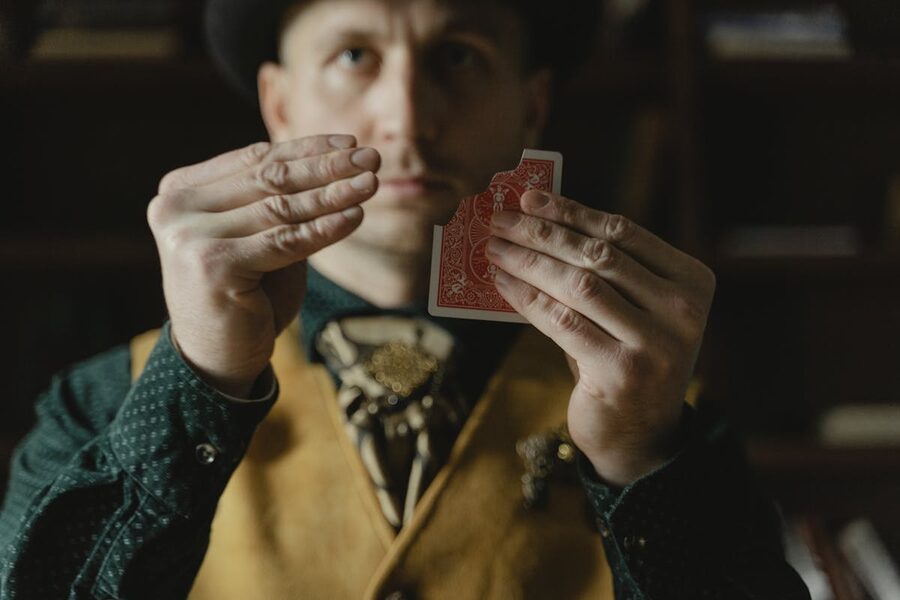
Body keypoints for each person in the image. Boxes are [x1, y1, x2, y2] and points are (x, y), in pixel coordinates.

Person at [0, 0, 811, 598]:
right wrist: (197, 383)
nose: (408, 119)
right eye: (355, 55)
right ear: (280, 106)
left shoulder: (662, 408)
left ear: (531, 104)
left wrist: (642, 459)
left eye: (457, 56)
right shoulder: (98, 402)